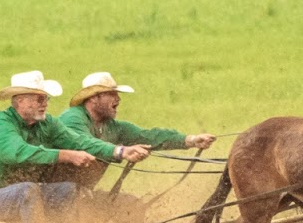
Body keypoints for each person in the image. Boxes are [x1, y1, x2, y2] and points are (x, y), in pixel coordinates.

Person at [0, 70, 151, 223]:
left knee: (68, 190)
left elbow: (80, 141)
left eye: (46, 98)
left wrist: (119, 150)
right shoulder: (1, 122)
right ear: (21, 100)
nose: (45, 104)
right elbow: (16, 153)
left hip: (26, 191)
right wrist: (66, 155)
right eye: (40, 99)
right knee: (27, 190)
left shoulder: (47, 123)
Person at [55, 72, 216, 189]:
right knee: (69, 194)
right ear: (93, 97)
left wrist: (190, 140)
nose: (118, 99)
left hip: (82, 194)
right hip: (55, 192)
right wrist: (120, 151)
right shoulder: (72, 118)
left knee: (131, 204)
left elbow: (149, 136)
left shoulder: (113, 126)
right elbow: (85, 144)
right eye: (111, 94)